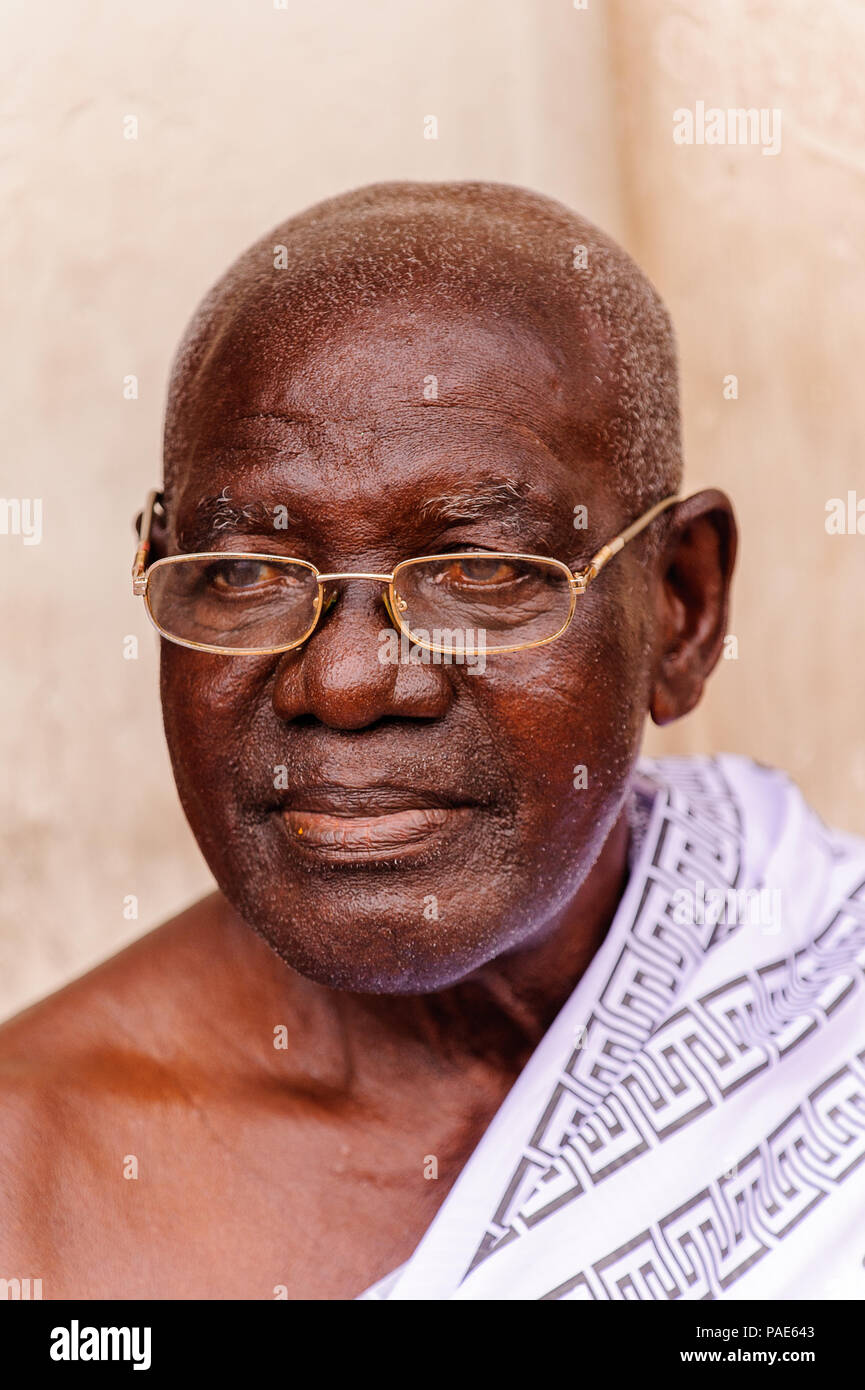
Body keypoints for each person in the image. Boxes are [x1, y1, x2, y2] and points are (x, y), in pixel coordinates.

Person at [1, 182, 863, 1301]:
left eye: (483, 568)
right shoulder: (35, 1197)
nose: (346, 680)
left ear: (682, 609)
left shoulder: (821, 998)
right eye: (249, 573)